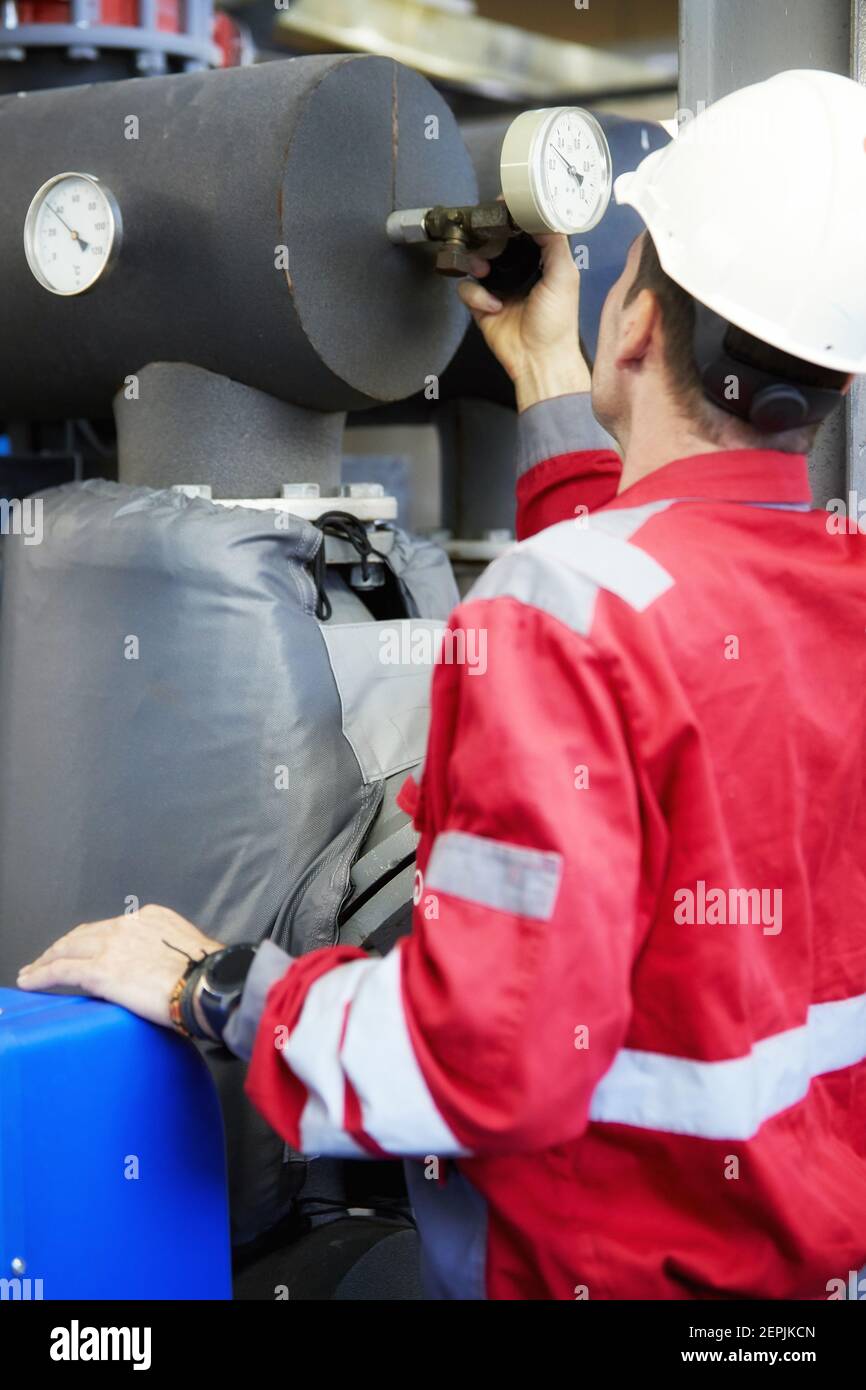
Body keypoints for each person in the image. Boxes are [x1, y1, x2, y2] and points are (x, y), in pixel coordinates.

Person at [18, 69, 866, 1299]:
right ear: (833, 382)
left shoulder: (556, 617)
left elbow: (475, 1064)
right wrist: (546, 388)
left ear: (632, 322)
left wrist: (210, 987)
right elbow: (689, 626)